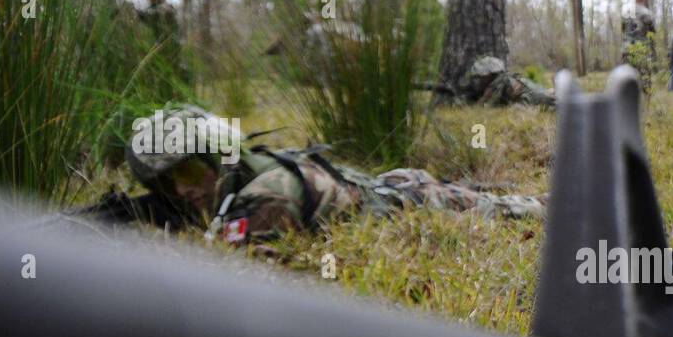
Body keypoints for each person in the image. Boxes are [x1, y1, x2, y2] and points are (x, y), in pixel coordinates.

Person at [72, 105, 545, 244]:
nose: (184, 189)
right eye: (165, 185)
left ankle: (545, 203)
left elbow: (232, 276)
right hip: (372, 181)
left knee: (499, 208)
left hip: (393, 201)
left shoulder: (264, 198)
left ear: (218, 157)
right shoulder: (230, 183)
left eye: (191, 170)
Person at [457, 56, 556, 108]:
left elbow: (488, 105)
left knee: (554, 102)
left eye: (482, 76)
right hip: (534, 93)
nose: (480, 79)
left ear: (489, 74)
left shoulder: (499, 82)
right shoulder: (504, 78)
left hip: (530, 97)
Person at [621, 0, 657, 64]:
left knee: (627, 74)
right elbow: (653, 31)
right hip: (641, 50)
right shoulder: (647, 13)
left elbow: (623, 29)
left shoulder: (626, 12)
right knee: (641, 74)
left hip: (626, 49)